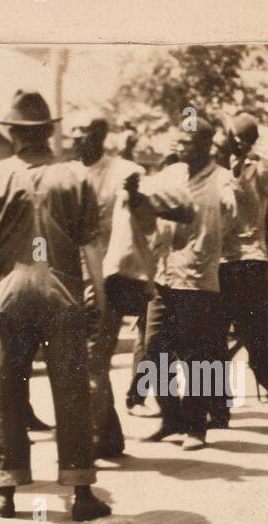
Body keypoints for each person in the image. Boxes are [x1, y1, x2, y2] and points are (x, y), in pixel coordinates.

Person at [0, 89, 111, 521]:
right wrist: (100, 297)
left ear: (14, 134)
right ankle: (81, 491)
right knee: (70, 390)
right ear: (47, 134)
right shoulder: (75, 176)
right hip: (61, 289)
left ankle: (5, 490)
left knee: (6, 388)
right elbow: (90, 245)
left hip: (12, 287)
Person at [139, 118, 235, 450]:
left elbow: (233, 205)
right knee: (154, 349)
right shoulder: (170, 174)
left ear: (207, 145)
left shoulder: (223, 179)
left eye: (189, 142)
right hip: (163, 274)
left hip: (198, 278)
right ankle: (170, 420)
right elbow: (146, 195)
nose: (181, 147)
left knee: (198, 356)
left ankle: (195, 427)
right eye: (178, 141)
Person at [70, 111, 151, 459]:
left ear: (100, 136)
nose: (75, 137)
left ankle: (93, 438)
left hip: (111, 281)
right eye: (72, 131)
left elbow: (141, 223)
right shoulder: (69, 173)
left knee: (92, 360)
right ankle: (109, 436)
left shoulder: (125, 172)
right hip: (75, 280)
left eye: (83, 130)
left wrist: (135, 197)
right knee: (88, 361)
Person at [218, 113, 268, 431]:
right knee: (213, 340)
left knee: (260, 339)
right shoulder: (215, 173)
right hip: (218, 263)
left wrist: (249, 147)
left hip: (250, 262)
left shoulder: (258, 172)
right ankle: (217, 408)